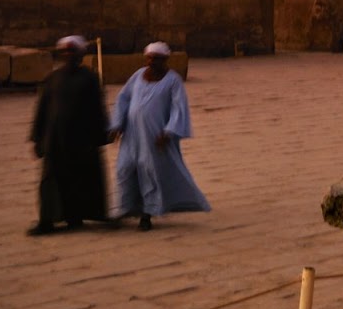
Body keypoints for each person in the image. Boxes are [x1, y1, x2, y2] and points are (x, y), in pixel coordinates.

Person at [110, 41, 210, 231]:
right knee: (124, 170)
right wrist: (117, 124)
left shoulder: (173, 81)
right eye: (149, 58)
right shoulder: (138, 76)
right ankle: (124, 208)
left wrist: (169, 131)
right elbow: (123, 98)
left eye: (156, 59)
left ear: (165, 60)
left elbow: (178, 108)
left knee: (150, 173)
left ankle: (147, 214)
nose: (151, 62)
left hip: (155, 138)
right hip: (132, 135)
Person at [28, 35, 112, 235]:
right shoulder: (53, 78)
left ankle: (76, 216)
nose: (68, 56)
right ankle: (47, 220)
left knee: (80, 178)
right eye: (65, 52)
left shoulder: (90, 79)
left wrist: (101, 135)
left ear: (80, 55)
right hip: (55, 139)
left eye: (72, 52)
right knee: (51, 181)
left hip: (81, 139)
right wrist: (37, 138)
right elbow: (42, 109)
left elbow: (97, 109)